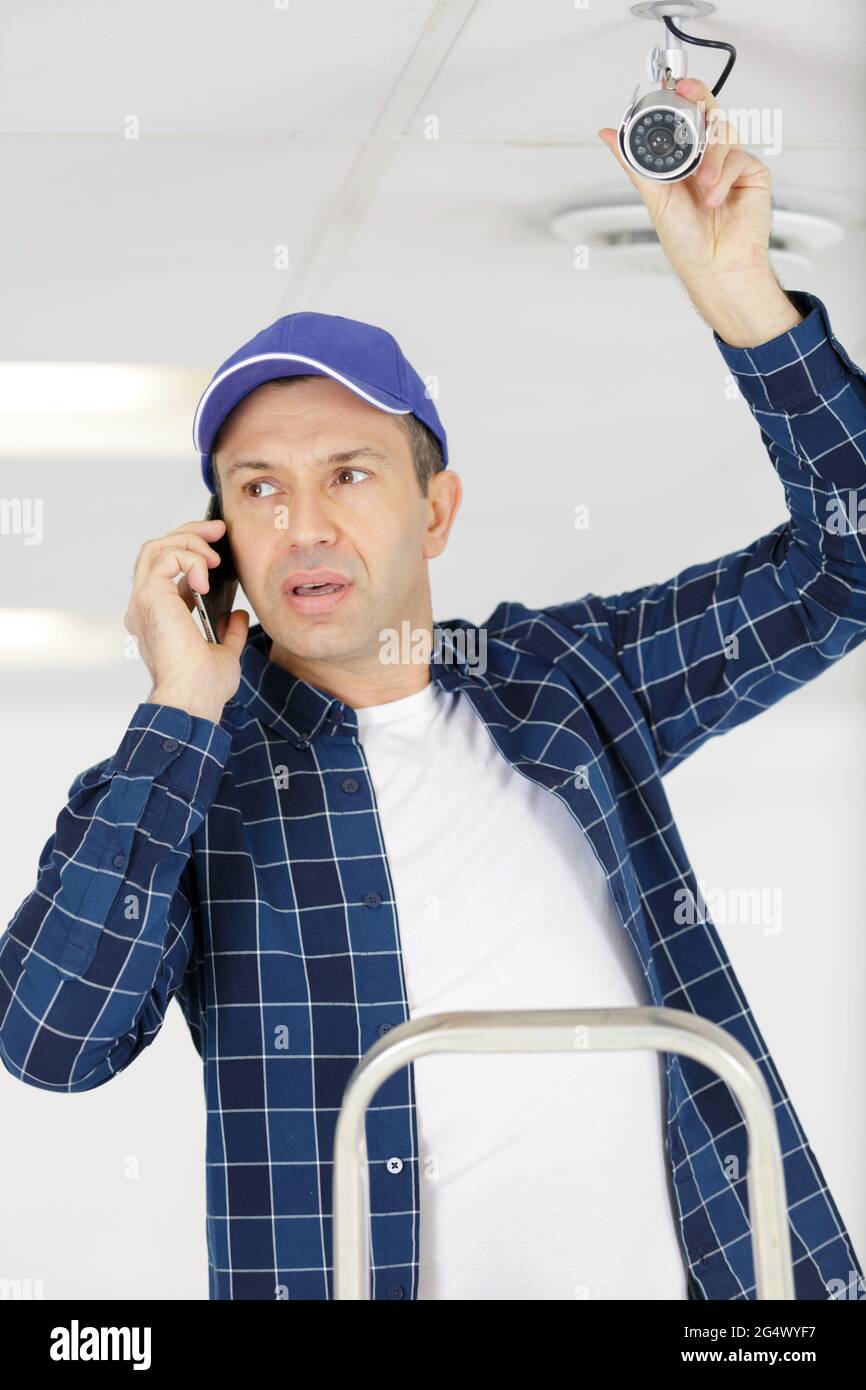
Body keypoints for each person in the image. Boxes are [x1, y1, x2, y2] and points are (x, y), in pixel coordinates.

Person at [1, 76, 864, 1301]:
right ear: (215, 537)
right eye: (257, 488)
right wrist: (180, 709)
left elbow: (850, 558)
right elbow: (50, 1044)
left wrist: (742, 297)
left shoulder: (564, 683)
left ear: (435, 511)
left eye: (348, 474)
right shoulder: (185, 777)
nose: (302, 525)